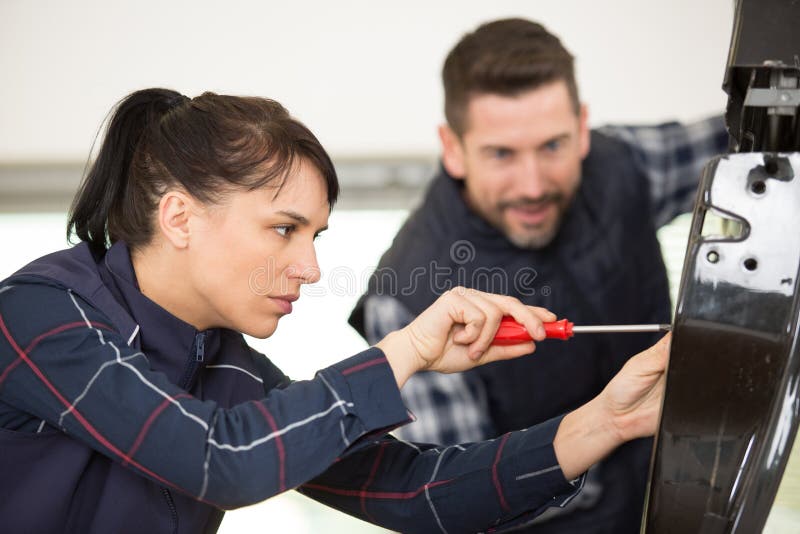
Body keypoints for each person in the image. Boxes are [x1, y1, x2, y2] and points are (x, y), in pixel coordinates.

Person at [0, 87, 670, 534]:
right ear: (179, 216)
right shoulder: (41, 315)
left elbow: (411, 489)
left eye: (314, 237)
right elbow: (223, 459)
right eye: (283, 229)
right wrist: (404, 351)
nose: (310, 268)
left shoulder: (227, 366)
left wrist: (604, 423)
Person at [348, 18, 730, 532]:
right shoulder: (407, 300)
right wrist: (602, 443)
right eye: (502, 154)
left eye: (553, 145)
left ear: (582, 127)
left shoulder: (625, 167)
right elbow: (460, 502)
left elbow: (750, 145)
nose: (532, 185)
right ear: (453, 147)